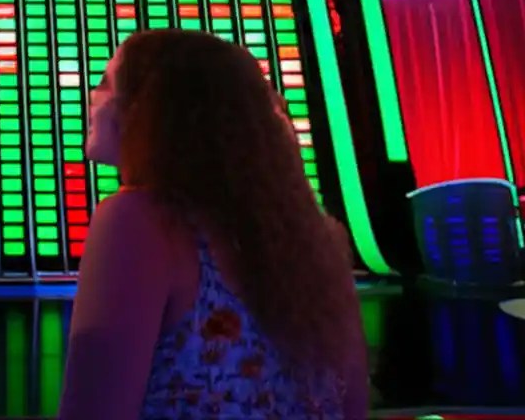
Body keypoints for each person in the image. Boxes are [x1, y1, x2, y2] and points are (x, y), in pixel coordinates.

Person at [59, 30, 368, 420]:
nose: (92, 97)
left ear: (150, 111)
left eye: (106, 85)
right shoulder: (318, 242)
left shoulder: (137, 222)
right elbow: (353, 408)